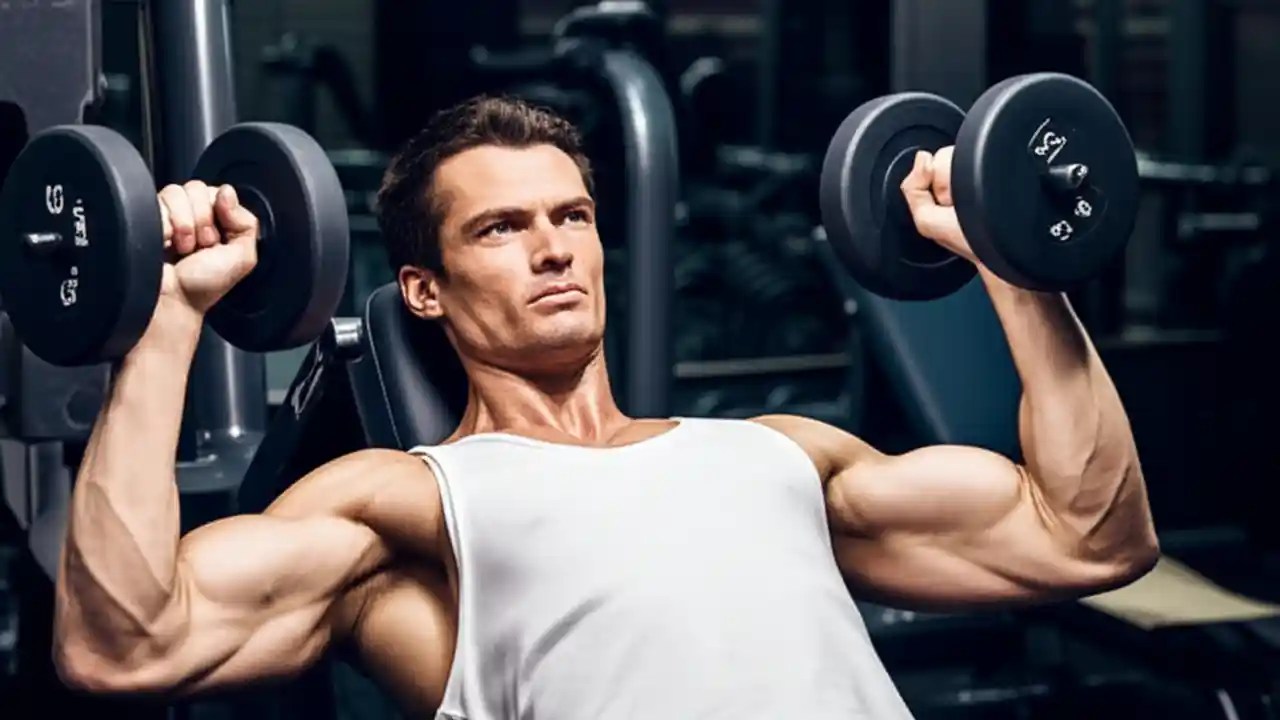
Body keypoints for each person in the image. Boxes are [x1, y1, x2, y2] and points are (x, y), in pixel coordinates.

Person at [51, 96, 1158, 719]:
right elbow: (125, 647)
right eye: (499, 228)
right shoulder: (411, 504)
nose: (550, 248)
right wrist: (165, 319)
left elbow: (1090, 534)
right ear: (423, 290)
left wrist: (1012, 259)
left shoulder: (775, 455)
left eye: (569, 216)